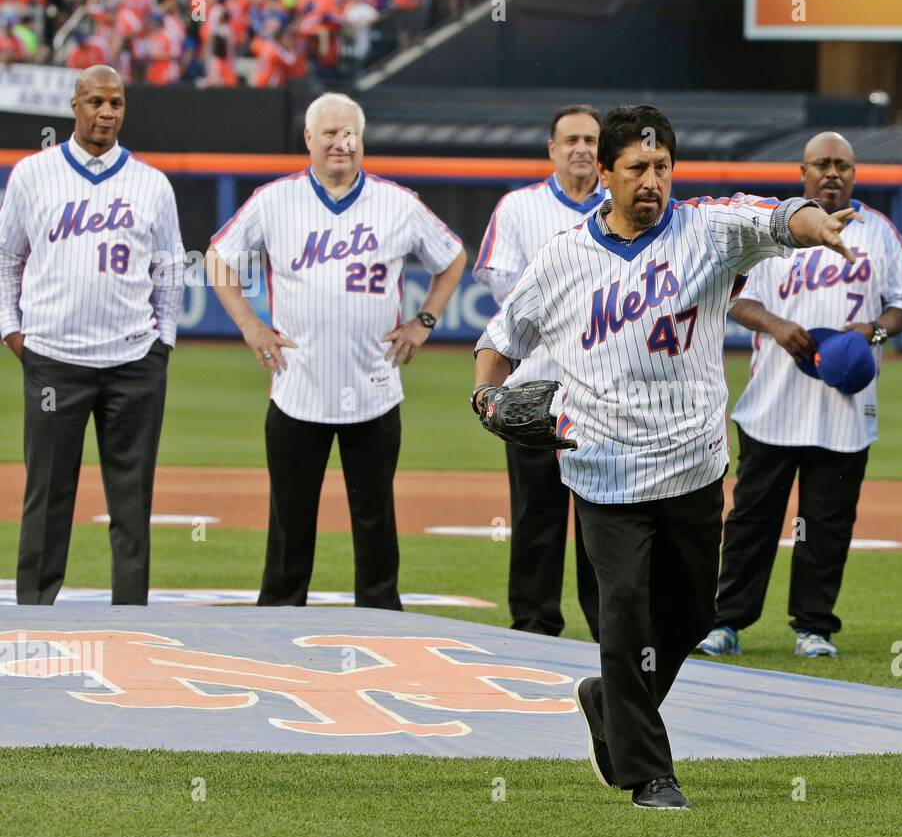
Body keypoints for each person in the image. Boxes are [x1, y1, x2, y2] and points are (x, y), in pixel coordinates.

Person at [471, 105, 859, 809]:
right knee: (622, 614)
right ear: (607, 176)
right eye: (637, 169)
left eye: (662, 167)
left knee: (685, 620)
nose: (653, 181)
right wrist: (486, 395)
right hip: (601, 466)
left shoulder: (709, 231)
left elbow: (781, 219)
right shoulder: (562, 256)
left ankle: (609, 704)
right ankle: (652, 773)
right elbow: (502, 338)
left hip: (692, 466)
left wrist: (817, 226)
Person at [206, 92, 466, 611]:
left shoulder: (397, 203)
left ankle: (379, 619)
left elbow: (453, 257)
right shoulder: (275, 199)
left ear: (362, 141)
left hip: (373, 386)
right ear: (308, 139)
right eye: (329, 133)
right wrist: (249, 325)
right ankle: (279, 617)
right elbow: (217, 258)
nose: (340, 143)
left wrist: (425, 321)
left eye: (349, 133)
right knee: (290, 517)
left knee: (375, 517)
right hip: (297, 386)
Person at [697, 132, 902, 659]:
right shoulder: (774, 228)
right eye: (822, 164)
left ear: (854, 174)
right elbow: (733, 298)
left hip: (844, 411)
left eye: (843, 165)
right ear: (803, 171)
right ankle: (726, 622)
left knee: (827, 525)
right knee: (751, 521)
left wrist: (874, 332)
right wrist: (774, 323)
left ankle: (813, 627)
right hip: (773, 405)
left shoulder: (879, 233)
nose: (832, 173)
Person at [0, 65, 183, 605]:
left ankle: (131, 615)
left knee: (131, 500)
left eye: (117, 103)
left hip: (132, 362)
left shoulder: (151, 183)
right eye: (97, 101)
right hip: (54, 360)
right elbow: (7, 257)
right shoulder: (34, 175)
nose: (107, 112)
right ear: (74, 105)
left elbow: (171, 269)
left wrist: (163, 342)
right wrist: (13, 331)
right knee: (48, 495)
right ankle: (34, 610)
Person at [472, 105, 605, 640]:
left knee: (604, 516)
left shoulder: (623, 207)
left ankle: (607, 625)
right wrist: (559, 304)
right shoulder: (519, 207)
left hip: (601, 393)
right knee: (533, 515)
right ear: (551, 148)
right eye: (570, 139)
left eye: (592, 140)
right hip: (532, 390)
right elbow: (497, 276)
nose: (581, 148)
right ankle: (533, 623)